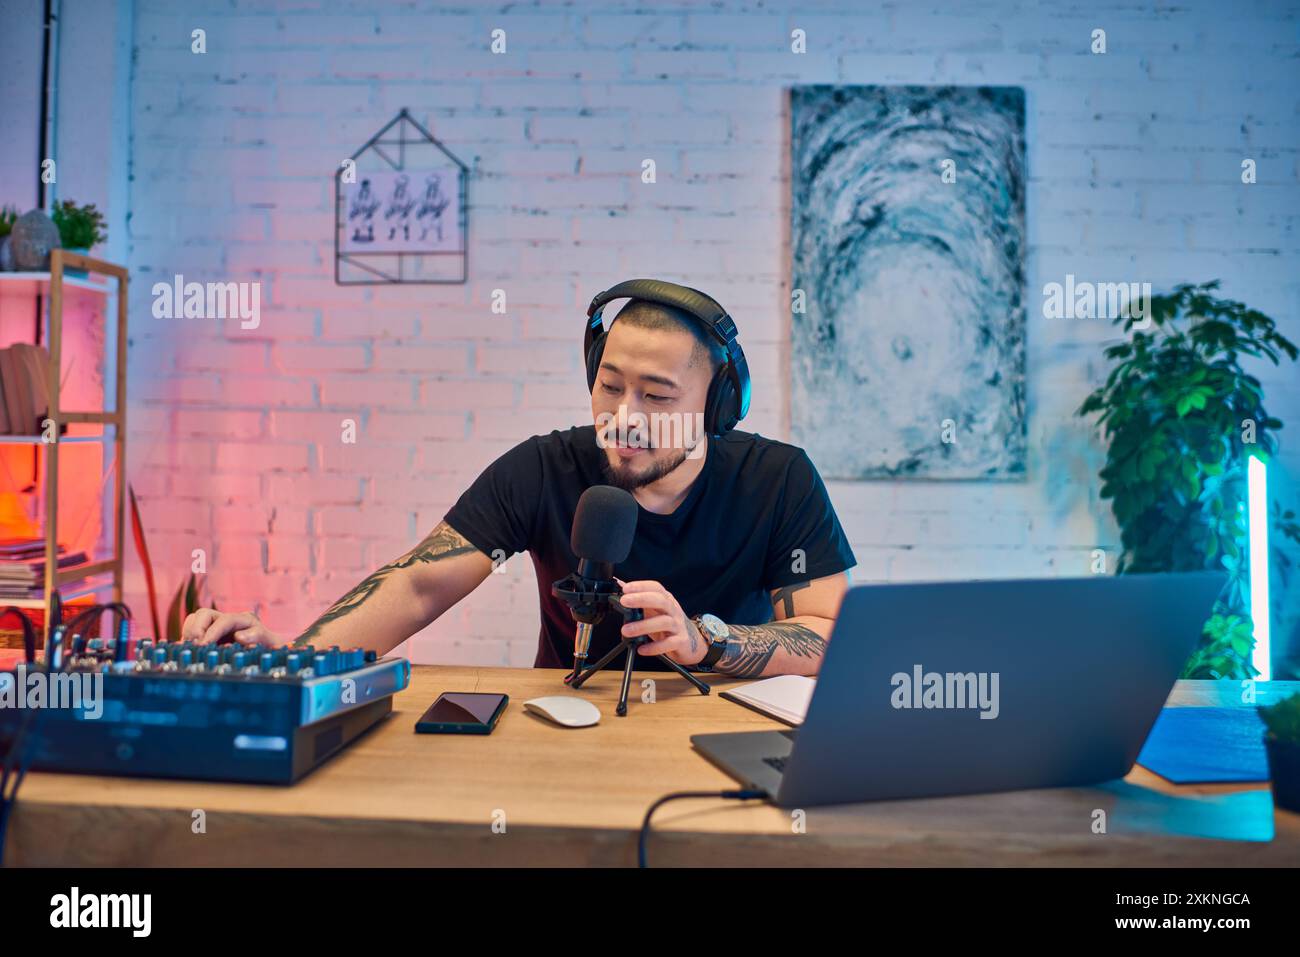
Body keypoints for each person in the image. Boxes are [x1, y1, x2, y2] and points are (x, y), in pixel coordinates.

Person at [183, 280, 857, 678]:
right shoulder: (545, 468)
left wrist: (707, 637)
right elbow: (418, 585)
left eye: (656, 396)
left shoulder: (779, 480)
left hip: (724, 727)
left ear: (715, 406)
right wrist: (295, 660)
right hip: (572, 730)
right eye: (609, 385)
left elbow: (827, 634)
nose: (623, 418)